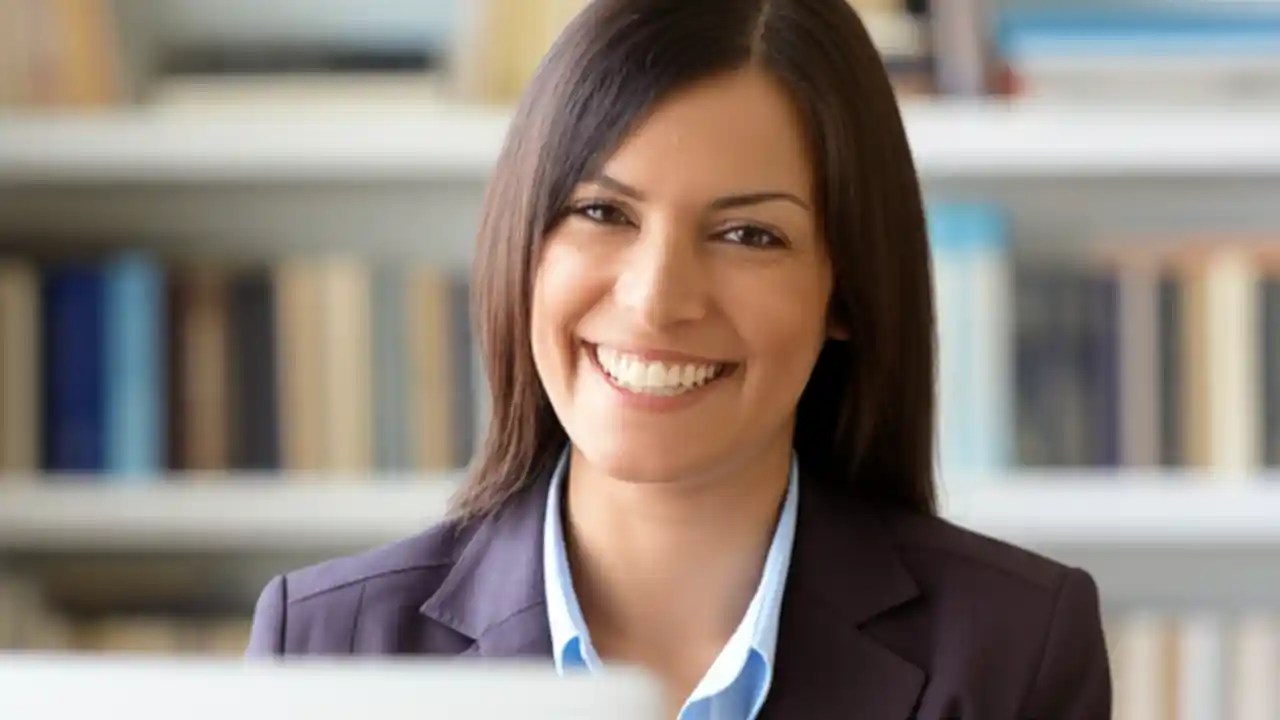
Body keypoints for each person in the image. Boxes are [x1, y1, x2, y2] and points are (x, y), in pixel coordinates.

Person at [246, 0, 1112, 717]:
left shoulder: (1013, 654)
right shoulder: (329, 651)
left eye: (747, 234)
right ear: (525, 244)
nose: (658, 299)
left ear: (843, 291)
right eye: (603, 213)